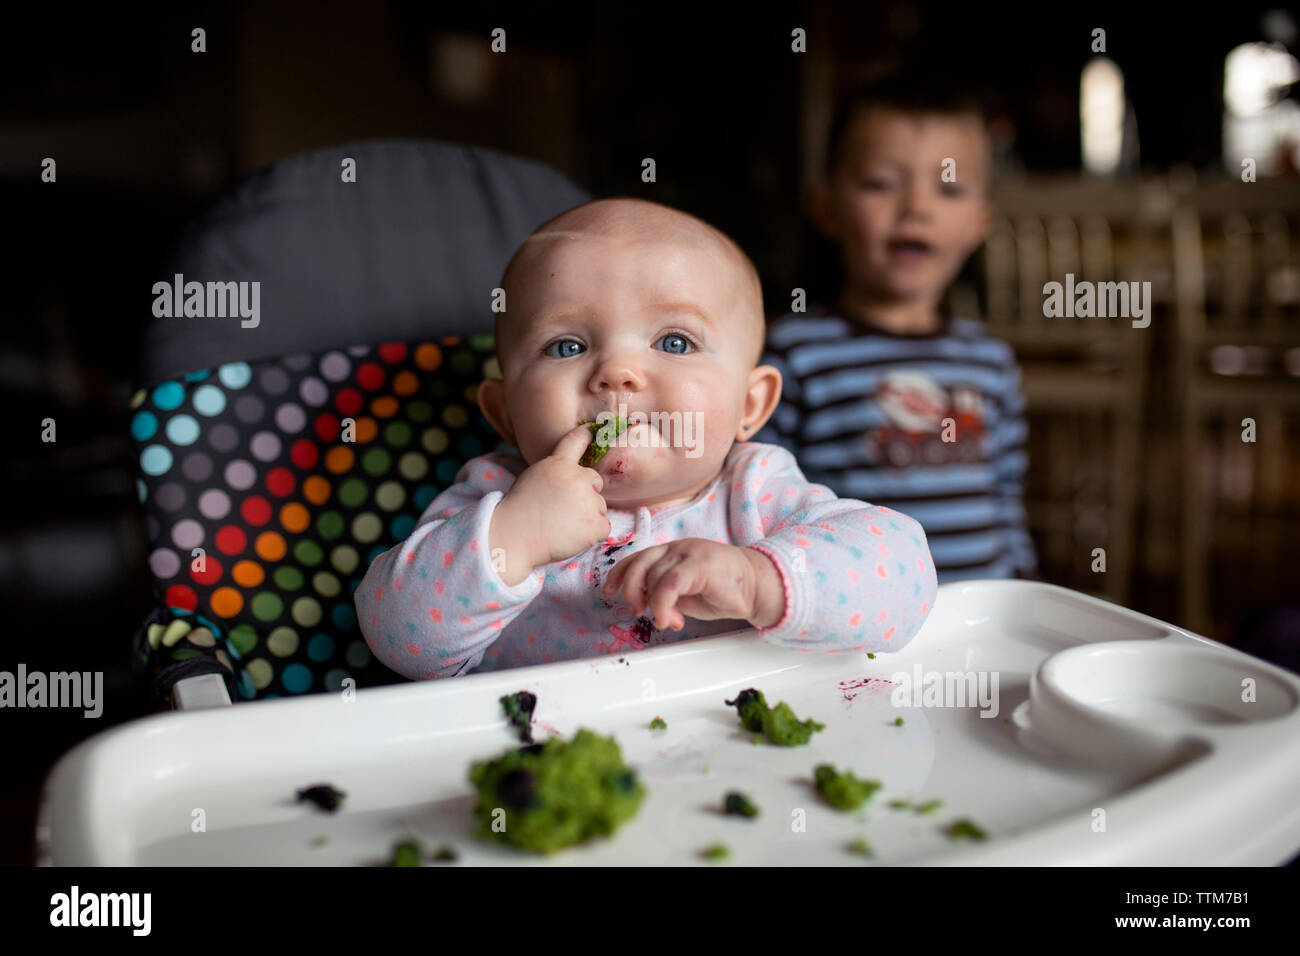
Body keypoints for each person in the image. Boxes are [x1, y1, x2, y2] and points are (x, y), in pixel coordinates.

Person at [357, 198, 938, 678]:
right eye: (567, 346)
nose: (618, 372)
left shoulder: (757, 493)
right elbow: (398, 638)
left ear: (750, 405)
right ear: (505, 413)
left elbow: (906, 577)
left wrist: (758, 578)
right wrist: (516, 534)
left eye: (675, 342)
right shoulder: (495, 498)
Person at [757, 75, 1037, 582]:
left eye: (949, 188)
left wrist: (1020, 580)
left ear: (980, 222)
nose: (917, 208)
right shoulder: (796, 355)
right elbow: (759, 498)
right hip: (855, 621)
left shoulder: (991, 361)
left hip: (980, 615)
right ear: (828, 208)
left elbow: (1006, 494)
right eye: (881, 184)